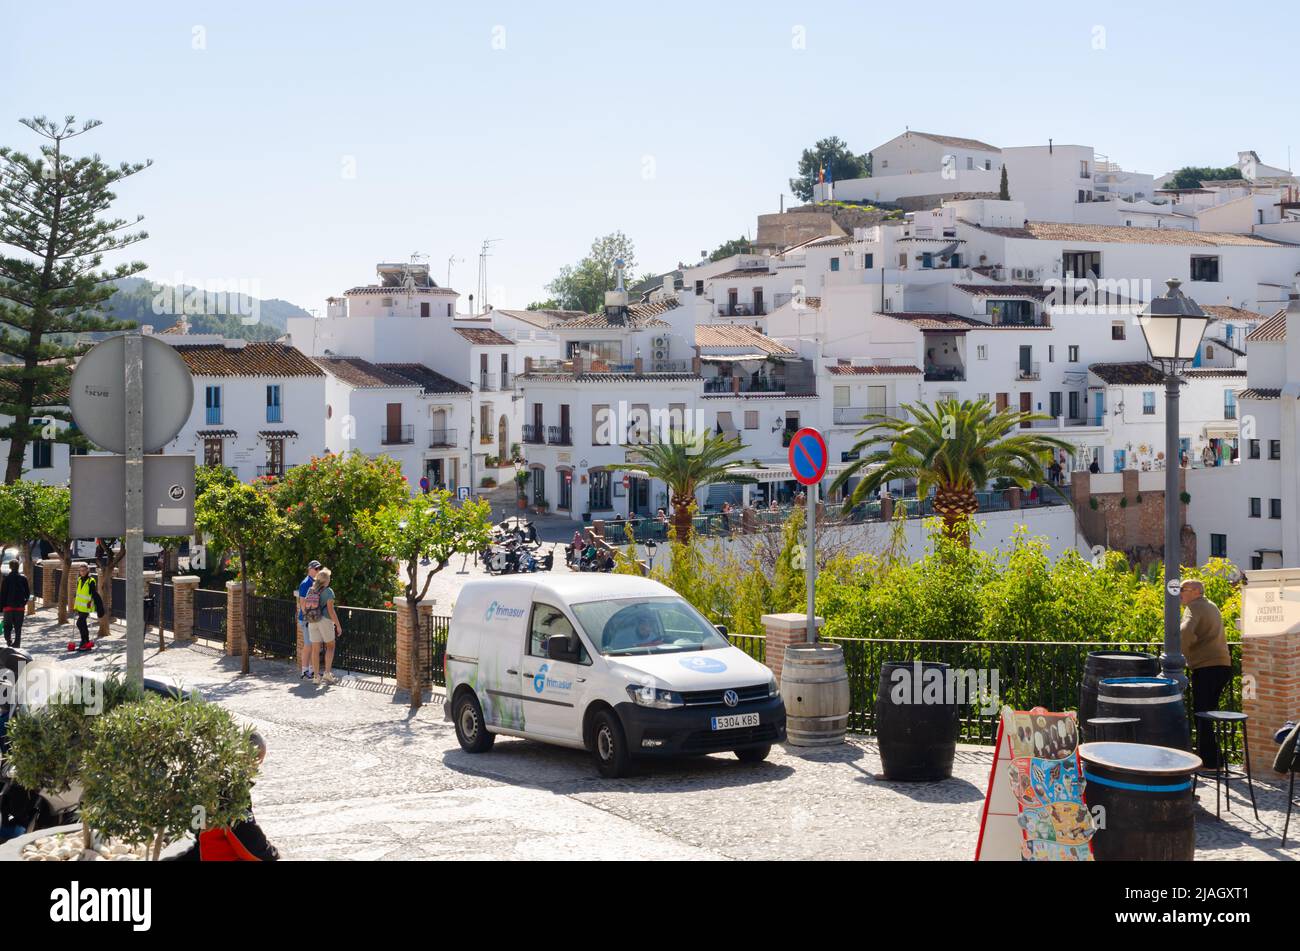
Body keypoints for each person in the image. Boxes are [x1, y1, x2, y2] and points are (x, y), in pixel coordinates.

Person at [170, 733, 280, 861]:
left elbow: (195, 828)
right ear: (247, 757)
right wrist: (273, 854)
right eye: (258, 761)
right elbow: (248, 841)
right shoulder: (232, 790)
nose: (257, 769)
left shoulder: (202, 779)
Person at [1179, 579, 1232, 770]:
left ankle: (1210, 762)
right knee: (1208, 713)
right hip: (1222, 665)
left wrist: (1180, 654)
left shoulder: (1195, 606)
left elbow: (1184, 631)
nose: (1179, 595)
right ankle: (1215, 759)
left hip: (1207, 667)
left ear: (1194, 591)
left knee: (1202, 714)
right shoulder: (1211, 605)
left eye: (1182, 590)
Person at [304, 567, 342, 685]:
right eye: (329, 578)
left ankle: (316, 676)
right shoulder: (328, 591)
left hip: (312, 620)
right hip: (324, 620)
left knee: (315, 649)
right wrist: (338, 625)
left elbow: (305, 605)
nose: (330, 580)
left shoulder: (311, 589)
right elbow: (331, 611)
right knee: (330, 646)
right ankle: (327, 673)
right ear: (326, 580)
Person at [295, 560, 321, 679]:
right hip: (307, 619)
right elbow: (302, 602)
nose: (318, 571)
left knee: (313, 644)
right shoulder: (306, 583)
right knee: (308, 645)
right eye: (316, 569)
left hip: (311, 618)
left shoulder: (314, 582)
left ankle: (312, 670)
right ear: (309, 569)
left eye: (318, 569)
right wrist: (307, 619)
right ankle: (304, 671)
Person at [71, 563, 103, 652]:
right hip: (80, 607)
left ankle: (85, 641)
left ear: (87, 570)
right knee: (82, 624)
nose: (82, 572)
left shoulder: (91, 581)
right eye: (81, 570)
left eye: (84, 570)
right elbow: (78, 594)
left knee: (79, 623)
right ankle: (84, 642)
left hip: (87, 607)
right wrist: (75, 605)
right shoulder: (79, 580)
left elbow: (94, 594)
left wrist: (99, 606)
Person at [1, 561, 30, 649]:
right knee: (18, 628)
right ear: (18, 567)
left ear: (10, 567)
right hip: (20, 608)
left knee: (7, 626)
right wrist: (23, 603)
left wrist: (2, 607)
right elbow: (27, 594)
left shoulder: (6, 579)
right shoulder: (23, 578)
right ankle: (17, 645)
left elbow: (3, 594)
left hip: (8, 608)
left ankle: (8, 641)